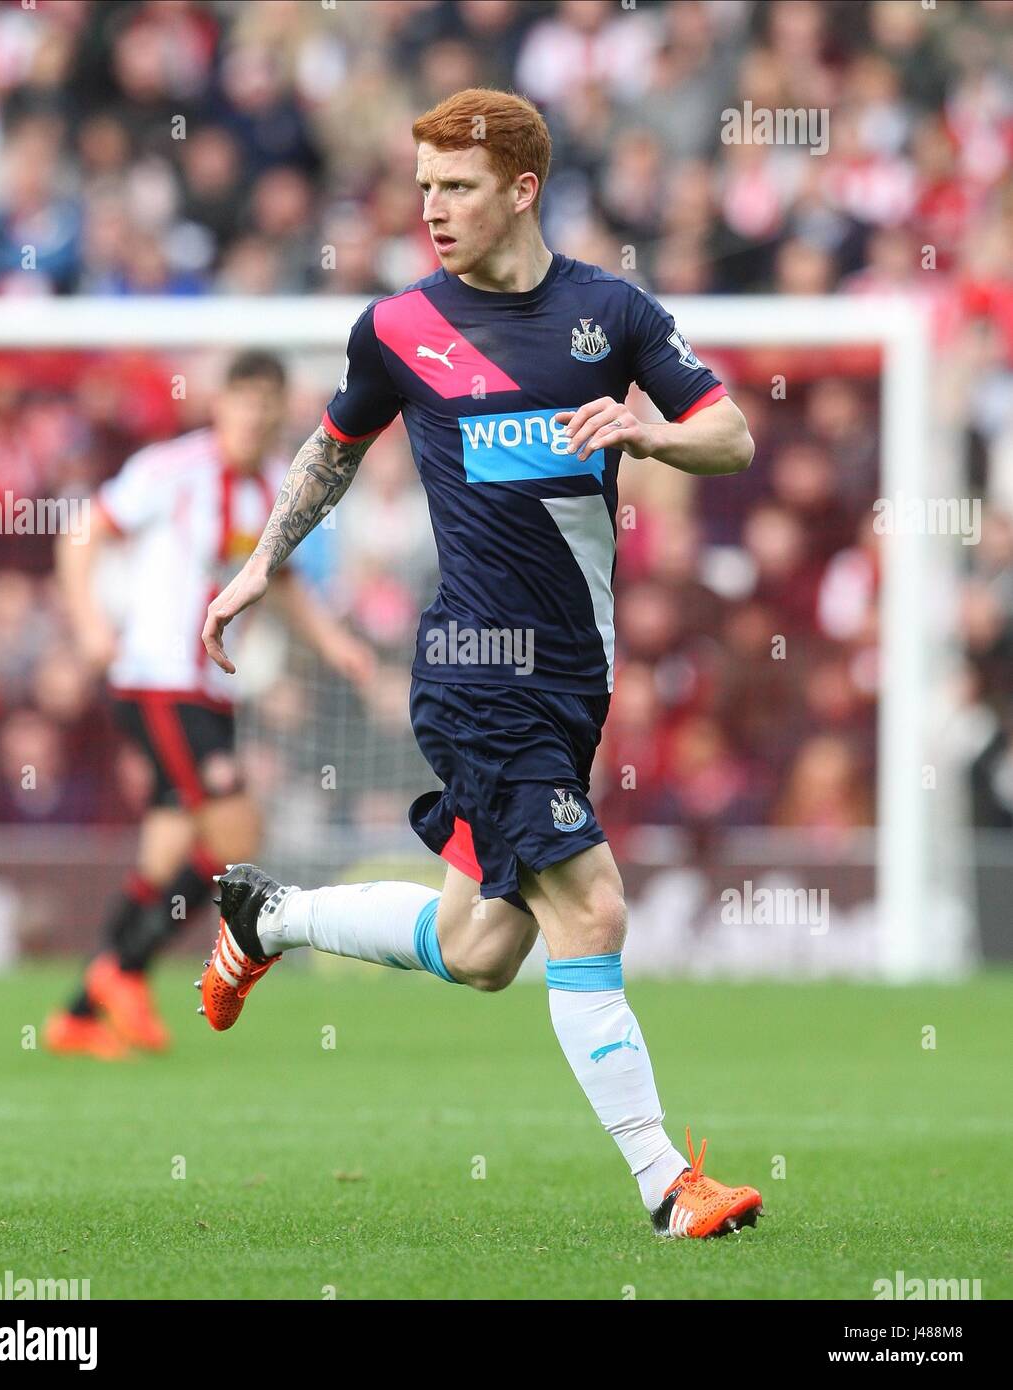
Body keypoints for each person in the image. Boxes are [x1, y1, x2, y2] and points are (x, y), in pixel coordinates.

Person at [199, 90, 762, 1240]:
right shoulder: (399, 327)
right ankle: (666, 1183)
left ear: (520, 189)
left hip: (573, 681)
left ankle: (270, 916)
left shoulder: (610, 313)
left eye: (454, 187)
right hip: (473, 668)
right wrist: (263, 561)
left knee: (481, 947)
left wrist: (646, 431)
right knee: (591, 909)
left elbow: (731, 432)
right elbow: (332, 445)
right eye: (420, 187)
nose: (430, 210)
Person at [44, 351, 374, 1059]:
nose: (253, 413)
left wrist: (335, 644)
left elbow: (278, 585)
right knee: (236, 837)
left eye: (267, 400)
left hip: (212, 689)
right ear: (220, 403)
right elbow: (84, 532)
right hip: (160, 677)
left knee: (167, 852)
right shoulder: (173, 469)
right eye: (243, 398)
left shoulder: (267, 492)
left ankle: (79, 1013)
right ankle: (123, 974)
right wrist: (90, 625)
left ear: (281, 408)